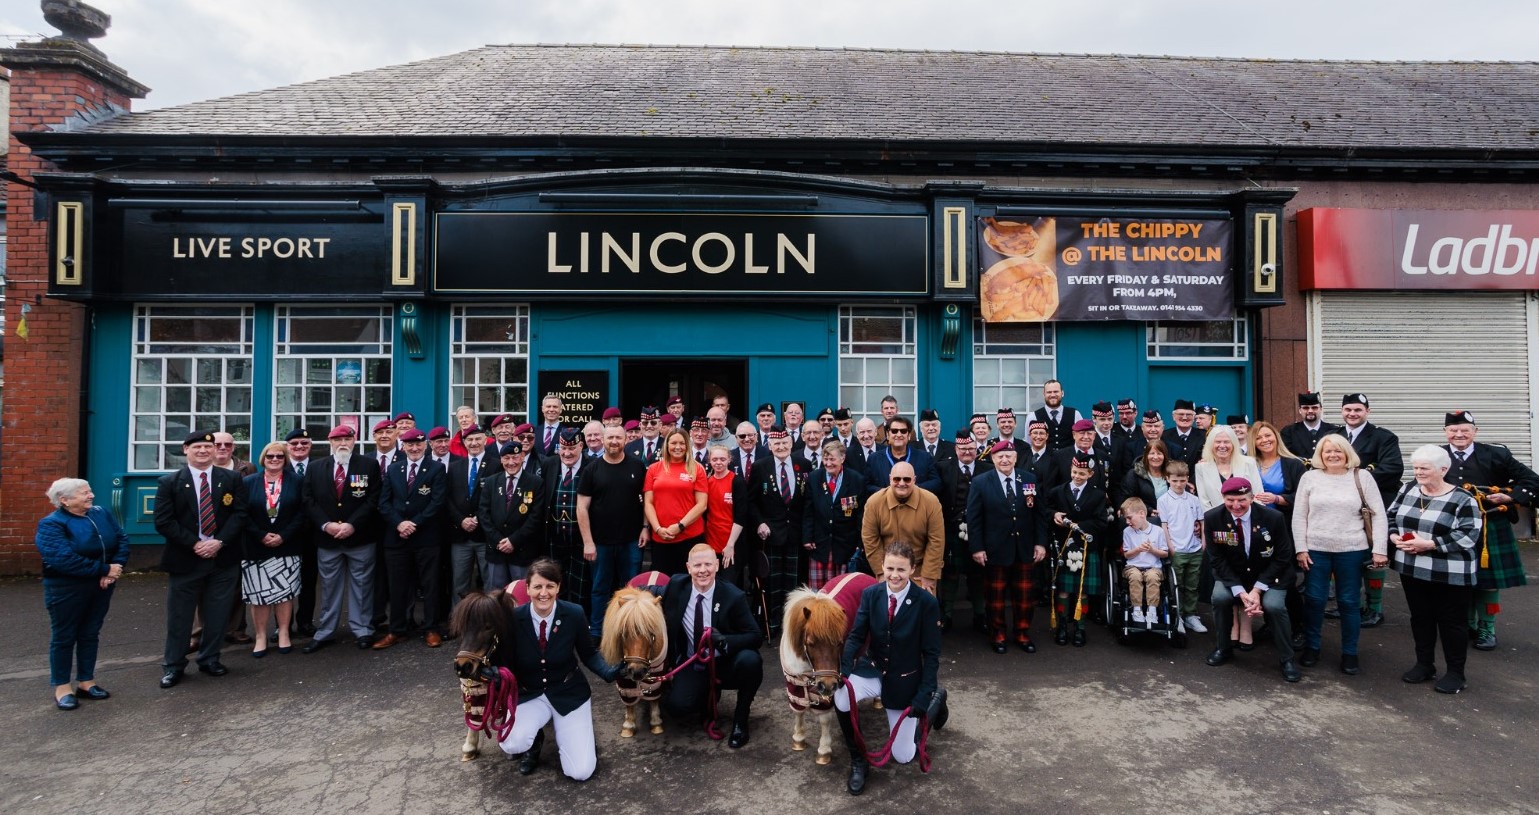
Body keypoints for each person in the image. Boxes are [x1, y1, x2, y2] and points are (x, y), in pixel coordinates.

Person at [496, 558, 621, 780]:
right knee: (511, 743)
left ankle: (576, 732)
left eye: (550, 586)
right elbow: (505, 659)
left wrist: (609, 672)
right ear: (527, 588)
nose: (544, 593)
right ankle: (535, 743)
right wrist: (494, 674)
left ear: (558, 587)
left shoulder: (574, 613)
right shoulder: (513, 618)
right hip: (531, 693)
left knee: (580, 772)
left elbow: (589, 654)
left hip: (568, 692)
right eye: (537, 586)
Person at [834, 541, 942, 796]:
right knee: (840, 697)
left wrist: (924, 693)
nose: (895, 575)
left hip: (904, 679)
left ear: (913, 570)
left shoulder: (926, 602)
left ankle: (936, 700)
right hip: (872, 670)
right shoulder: (871, 595)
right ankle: (858, 760)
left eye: (901, 570)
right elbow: (856, 637)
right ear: (882, 567)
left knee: (903, 756)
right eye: (890, 568)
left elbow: (932, 653)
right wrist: (845, 670)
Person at [155, 430, 248, 689]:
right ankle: (173, 666)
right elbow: (163, 521)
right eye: (197, 447)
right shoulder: (169, 482)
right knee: (180, 617)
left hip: (222, 558)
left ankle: (209, 659)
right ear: (186, 450)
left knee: (218, 615)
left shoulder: (231, 479)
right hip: (186, 559)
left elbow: (240, 515)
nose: (204, 451)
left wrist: (219, 542)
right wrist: (195, 544)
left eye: (208, 447)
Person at [1441, 409, 1538, 651]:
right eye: (1453, 430)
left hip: (1490, 523)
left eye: (1465, 430)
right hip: (1451, 524)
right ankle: (1468, 624)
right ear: (1445, 432)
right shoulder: (1436, 455)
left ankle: (1487, 627)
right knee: (1459, 579)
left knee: (1487, 581)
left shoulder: (1496, 454)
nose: (1459, 434)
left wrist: (1510, 497)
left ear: (1476, 431)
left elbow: (1532, 481)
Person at [1389, 445, 1482, 694]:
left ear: (1443, 469)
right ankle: (1424, 665)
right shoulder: (1408, 489)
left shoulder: (1463, 499)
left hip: (1449, 572)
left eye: (1424, 468)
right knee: (1421, 618)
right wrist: (1394, 537)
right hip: (1412, 568)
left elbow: (1468, 535)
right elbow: (1391, 516)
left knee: (1452, 623)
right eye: (1416, 467)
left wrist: (1430, 544)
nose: (1418, 472)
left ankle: (1455, 673)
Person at [1292, 434, 1387, 675]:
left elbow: (1379, 515)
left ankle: (1350, 653)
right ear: (1320, 455)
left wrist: (1379, 550)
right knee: (1314, 599)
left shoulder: (1362, 477)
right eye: (1327, 451)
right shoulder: (1309, 477)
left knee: (1349, 602)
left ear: (1347, 453)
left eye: (1338, 451)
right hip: (1316, 549)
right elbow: (1299, 515)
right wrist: (1301, 548)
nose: (1332, 455)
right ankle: (1312, 647)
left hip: (1352, 550)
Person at [36, 478, 129, 710]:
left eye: (89, 491)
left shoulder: (101, 513)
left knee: (90, 633)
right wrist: (103, 569)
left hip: (101, 585)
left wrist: (113, 569)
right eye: (83, 493)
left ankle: (87, 682)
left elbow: (121, 539)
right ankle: (62, 688)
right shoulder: (52, 524)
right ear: (64, 500)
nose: (91, 496)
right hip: (66, 588)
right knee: (64, 636)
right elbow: (62, 559)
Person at [661, 544, 765, 748]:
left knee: (751, 661)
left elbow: (756, 636)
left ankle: (740, 722)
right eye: (697, 565)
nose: (703, 570)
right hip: (693, 663)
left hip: (724, 663)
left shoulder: (733, 596)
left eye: (708, 564)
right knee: (676, 707)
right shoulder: (675, 585)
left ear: (717, 566)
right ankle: (707, 696)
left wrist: (725, 640)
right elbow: (651, 593)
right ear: (688, 567)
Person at [1203, 477, 1300, 683]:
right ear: (1223, 498)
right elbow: (1217, 559)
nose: (1236, 506)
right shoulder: (1213, 518)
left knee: (1273, 605)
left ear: (1252, 498)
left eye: (1242, 500)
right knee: (1220, 597)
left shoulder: (1272, 517)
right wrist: (1239, 590)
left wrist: (1257, 590)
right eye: (1230, 500)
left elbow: (1283, 555)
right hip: (1234, 576)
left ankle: (1287, 659)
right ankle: (1224, 647)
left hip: (1270, 575)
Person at [302, 425, 383, 652]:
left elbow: (373, 498)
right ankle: (326, 630)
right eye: (337, 439)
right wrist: (326, 525)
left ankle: (363, 629)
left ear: (354, 440)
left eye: (347, 438)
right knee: (328, 586)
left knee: (362, 585)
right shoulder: (316, 467)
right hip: (327, 539)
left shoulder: (368, 465)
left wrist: (352, 524)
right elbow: (308, 500)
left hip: (360, 537)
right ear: (330, 441)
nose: (342, 443)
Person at [966, 440, 1050, 653]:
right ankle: (998, 635)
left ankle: (1022, 634)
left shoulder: (1029, 479)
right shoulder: (981, 482)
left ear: (1015, 458)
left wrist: (1040, 543)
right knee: (995, 599)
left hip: (1024, 548)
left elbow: (1039, 514)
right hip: (994, 550)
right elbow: (974, 519)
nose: (1004, 460)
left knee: (1024, 598)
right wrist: (977, 548)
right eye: (1000, 456)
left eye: (1008, 456)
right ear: (992, 459)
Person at [374, 428, 448, 650]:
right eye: (409, 445)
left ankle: (431, 628)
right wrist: (399, 523)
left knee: (430, 585)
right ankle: (397, 630)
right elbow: (384, 502)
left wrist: (414, 523)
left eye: (418, 445)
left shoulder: (436, 468)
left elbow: (437, 502)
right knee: (397, 586)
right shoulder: (394, 469)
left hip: (426, 537)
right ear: (403, 446)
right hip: (397, 538)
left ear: (425, 445)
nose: (414, 449)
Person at [578, 425, 650, 634]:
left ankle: (629, 630)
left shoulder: (637, 466)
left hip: (631, 541)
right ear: (602, 439)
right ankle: (597, 632)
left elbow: (646, 500)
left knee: (631, 589)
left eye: (618, 437)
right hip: (600, 542)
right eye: (610, 438)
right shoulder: (592, 469)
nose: (614, 441)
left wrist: (645, 527)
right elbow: (581, 507)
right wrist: (588, 542)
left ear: (626, 439)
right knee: (600, 588)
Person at [1341, 392, 1403, 628]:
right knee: (1348, 557)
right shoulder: (1334, 435)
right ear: (1342, 412)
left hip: (1372, 506)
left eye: (1357, 410)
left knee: (1371, 558)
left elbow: (1392, 468)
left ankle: (1374, 609)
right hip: (1341, 508)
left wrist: (1352, 480)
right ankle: (1350, 605)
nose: (1352, 414)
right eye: (1348, 410)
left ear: (1367, 411)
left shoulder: (1383, 437)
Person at [240, 441, 305, 657]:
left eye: (279, 456)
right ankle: (260, 636)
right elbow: (242, 514)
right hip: (256, 545)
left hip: (287, 545)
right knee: (258, 595)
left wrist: (283, 535)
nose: (275, 460)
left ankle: (284, 632)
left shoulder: (297, 481)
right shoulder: (249, 482)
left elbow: (302, 513)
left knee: (285, 593)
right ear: (263, 459)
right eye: (270, 457)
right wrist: (261, 535)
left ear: (285, 459)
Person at [745, 425, 810, 632]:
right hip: (771, 534)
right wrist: (760, 523)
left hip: (796, 534)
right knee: (772, 584)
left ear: (790, 443)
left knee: (794, 584)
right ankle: (772, 625)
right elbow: (751, 501)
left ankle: (792, 626)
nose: (781, 446)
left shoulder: (804, 465)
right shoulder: (760, 467)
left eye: (784, 443)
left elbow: (808, 501)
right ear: (770, 445)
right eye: (776, 444)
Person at [1046, 454, 1110, 646]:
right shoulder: (1058, 491)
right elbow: (1046, 510)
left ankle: (1080, 629)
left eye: (1082, 473)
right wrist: (1054, 514)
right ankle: (1062, 626)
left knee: (1082, 592)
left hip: (1086, 546)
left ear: (1090, 474)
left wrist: (1076, 525)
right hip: (1064, 545)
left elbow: (1101, 522)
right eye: (1074, 472)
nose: (1077, 476)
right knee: (1064, 590)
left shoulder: (1098, 495)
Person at [861, 461, 945, 593]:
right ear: (890, 479)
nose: (901, 483)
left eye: (906, 479)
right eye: (896, 479)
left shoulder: (931, 501)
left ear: (914, 480)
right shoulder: (874, 503)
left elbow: (937, 540)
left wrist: (929, 574)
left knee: (921, 611)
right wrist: (881, 571)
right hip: (888, 571)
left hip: (919, 571)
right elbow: (870, 540)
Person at [937, 429, 991, 632]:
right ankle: (947, 616)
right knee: (950, 574)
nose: (967, 452)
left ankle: (980, 615)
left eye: (971, 448)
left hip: (979, 530)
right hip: (951, 529)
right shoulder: (943, 468)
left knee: (978, 575)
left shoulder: (987, 469)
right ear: (955, 448)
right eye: (963, 448)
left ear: (977, 448)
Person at [478, 439, 547, 590]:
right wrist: (499, 540)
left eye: (515, 457)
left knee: (521, 593)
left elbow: (535, 517)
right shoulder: (491, 482)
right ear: (501, 459)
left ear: (522, 456)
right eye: (506, 458)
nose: (511, 462)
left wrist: (513, 541)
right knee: (496, 596)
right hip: (496, 550)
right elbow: (483, 514)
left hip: (522, 550)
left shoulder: (535, 483)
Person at [802, 438, 867, 590]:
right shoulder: (814, 478)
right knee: (818, 593)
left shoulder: (856, 480)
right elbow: (808, 510)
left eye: (832, 459)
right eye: (825, 459)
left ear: (842, 458)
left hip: (845, 545)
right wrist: (807, 537)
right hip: (819, 544)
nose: (828, 463)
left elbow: (861, 515)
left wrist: (860, 543)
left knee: (841, 590)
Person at [644, 427, 710, 576]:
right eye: (673, 443)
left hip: (689, 537)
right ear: (667, 445)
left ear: (687, 445)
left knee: (689, 582)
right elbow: (648, 503)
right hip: (660, 538)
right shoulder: (654, 469)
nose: (678, 447)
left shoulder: (697, 469)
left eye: (682, 443)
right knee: (662, 584)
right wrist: (658, 529)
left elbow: (702, 504)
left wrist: (680, 526)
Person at [1158, 461, 1206, 633]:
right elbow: (1164, 525)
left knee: (1192, 584)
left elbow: (1201, 521)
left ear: (1187, 479)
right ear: (1168, 479)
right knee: (1176, 584)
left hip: (1194, 548)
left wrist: (1203, 542)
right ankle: (1177, 615)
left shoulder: (1194, 499)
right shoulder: (1163, 500)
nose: (1179, 484)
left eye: (1182, 480)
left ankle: (1190, 615)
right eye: (1175, 481)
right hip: (1177, 549)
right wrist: (1171, 547)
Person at [446, 425, 491, 605]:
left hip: (485, 535)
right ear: (464, 442)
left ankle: (491, 623)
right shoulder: (454, 466)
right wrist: (461, 520)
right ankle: (458, 623)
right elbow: (447, 498)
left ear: (485, 441)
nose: (474, 443)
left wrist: (478, 519)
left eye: (478, 439)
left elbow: (495, 499)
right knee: (460, 584)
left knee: (489, 583)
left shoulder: (496, 464)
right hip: (460, 535)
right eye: (470, 440)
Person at [284, 428, 319, 638]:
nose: (299, 447)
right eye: (295, 443)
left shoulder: (318, 466)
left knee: (308, 581)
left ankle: (305, 622)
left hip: (312, 534)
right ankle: (283, 625)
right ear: (287, 446)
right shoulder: (278, 463)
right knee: (284, 581)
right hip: (286, 534)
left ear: (310, 446)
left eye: (304, 443)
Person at [703, 445, 749, 586]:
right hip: (711, 542)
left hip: (731, 544)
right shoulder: (707, 482)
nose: (718, 462)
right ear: (709, 460)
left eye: (722, 459)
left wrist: (730, 545)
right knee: (713, 585)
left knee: (729, 586)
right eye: (715, 459)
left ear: (729, 460)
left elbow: (741, 516)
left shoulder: (737, 481)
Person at [1120, 497, 1169, 625]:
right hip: (1133, 566)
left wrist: (1153, 550)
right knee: (1135, 576)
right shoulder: (1127, 532)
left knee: (1153, 577)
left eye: (1129, 518)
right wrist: (1138, 549)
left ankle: (1152, 611)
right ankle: (1137, 609)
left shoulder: (1158, 531)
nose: (1127, 522)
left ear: (1142, 513)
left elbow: (1165, 553)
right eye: (1125, 518)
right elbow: (1127, 555)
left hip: (1153, 567)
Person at [865, 414, 940, 495]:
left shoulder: (925, 457)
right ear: (887, 434)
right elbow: (866, 485)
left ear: (909, 435)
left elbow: (936, 483)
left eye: (903, 431)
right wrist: (887, 492)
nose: (899, 435)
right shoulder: (874, 459)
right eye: (894, 431)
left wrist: (912, 489)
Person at [1194, 425, 1263, 511]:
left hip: (1248, 518)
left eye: (1226, 442)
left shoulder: (1249, 463)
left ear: (1233, 444)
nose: (1222, 445)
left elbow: (1258, 495)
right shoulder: (1201, 468)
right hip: (1217, 521)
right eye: (1218, 442)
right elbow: (1204, 502)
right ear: (1210, 445)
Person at [1280, 391, 1343, 460]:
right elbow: (1286, 457)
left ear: (1321, 409)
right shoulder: (1289, 432)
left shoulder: (1334, 431)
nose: (1310, 411)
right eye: (1306, 408)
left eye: (1314, 408)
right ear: (1300, 410)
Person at [1121, 440, 1170, 527]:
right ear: (1146, 455)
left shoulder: (1171, 472)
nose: (1155, 457)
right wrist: (1149, 510)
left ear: (1164, 456)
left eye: (1159, 453)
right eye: (1152, 453)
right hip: (1145, 519)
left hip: (1170, 517)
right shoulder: (1134, 474)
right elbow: (1130, 499)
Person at [1031, 379, 1081, 449]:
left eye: (1056, 392)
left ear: (1062, 393)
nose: (1052, 395)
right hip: (1044, 459)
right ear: (1044, 394)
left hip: (1069, 459)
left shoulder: (1075, 414)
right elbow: (1029, 442)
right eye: (1049, 392)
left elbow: (1081, 440)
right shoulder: (1033, 416)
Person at [1161, 399, 1206, 469]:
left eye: (1189, 415)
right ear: (1173, 416)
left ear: (1194, 417)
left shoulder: (1204, 436)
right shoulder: (1164, 436)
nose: (1185, 418)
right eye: (1181, 414)